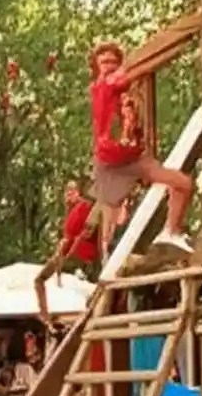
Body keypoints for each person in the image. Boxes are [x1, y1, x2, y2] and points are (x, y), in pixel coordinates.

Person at [87, 42, 193, 253]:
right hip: (109, 163)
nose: (109, 65)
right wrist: (173, 48)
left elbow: (137, 78)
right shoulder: (102, 87)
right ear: (96, 67)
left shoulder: (129, 92)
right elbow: (139, 68)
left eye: (113, 62)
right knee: (109, 221)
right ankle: (106, 262)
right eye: (104, 62)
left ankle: (171, 232)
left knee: (184, 184)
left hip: (134, 159)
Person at [35, 179, 100, 329]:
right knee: (39, 279)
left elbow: (85, 231)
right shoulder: (70, 211)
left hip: (78, 252)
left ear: (78, 193)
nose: (69, 195)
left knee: (60, 277)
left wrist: (69, 251)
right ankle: (44, 314)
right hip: (67, 251)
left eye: (72, 192)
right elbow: (67, 236)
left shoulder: (84, 206)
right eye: (67, 192)